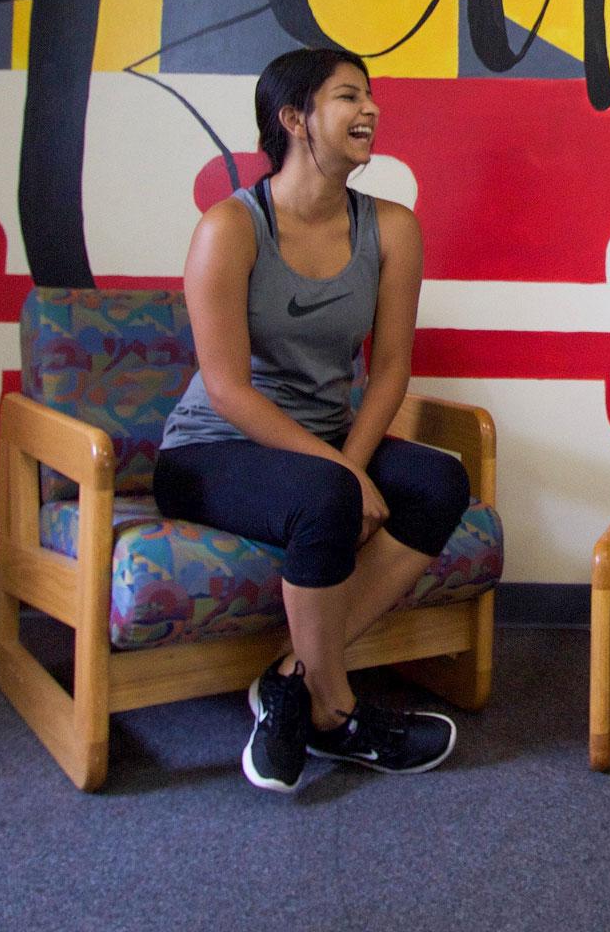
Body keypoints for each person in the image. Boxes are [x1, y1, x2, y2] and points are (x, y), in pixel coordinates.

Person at [154, 46, 471, 793]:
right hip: (212, 450)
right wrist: (336, 473)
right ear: (294, 119)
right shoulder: (229, 228)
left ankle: (289, 683)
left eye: (370, 96)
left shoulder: (392, 227)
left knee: (437, 481)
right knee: (323, 496)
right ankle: (336, 712)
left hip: (325, 445)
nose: (371, 110)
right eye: (347, 97)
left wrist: (350, 462)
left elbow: (391, 366)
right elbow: (228, 389)